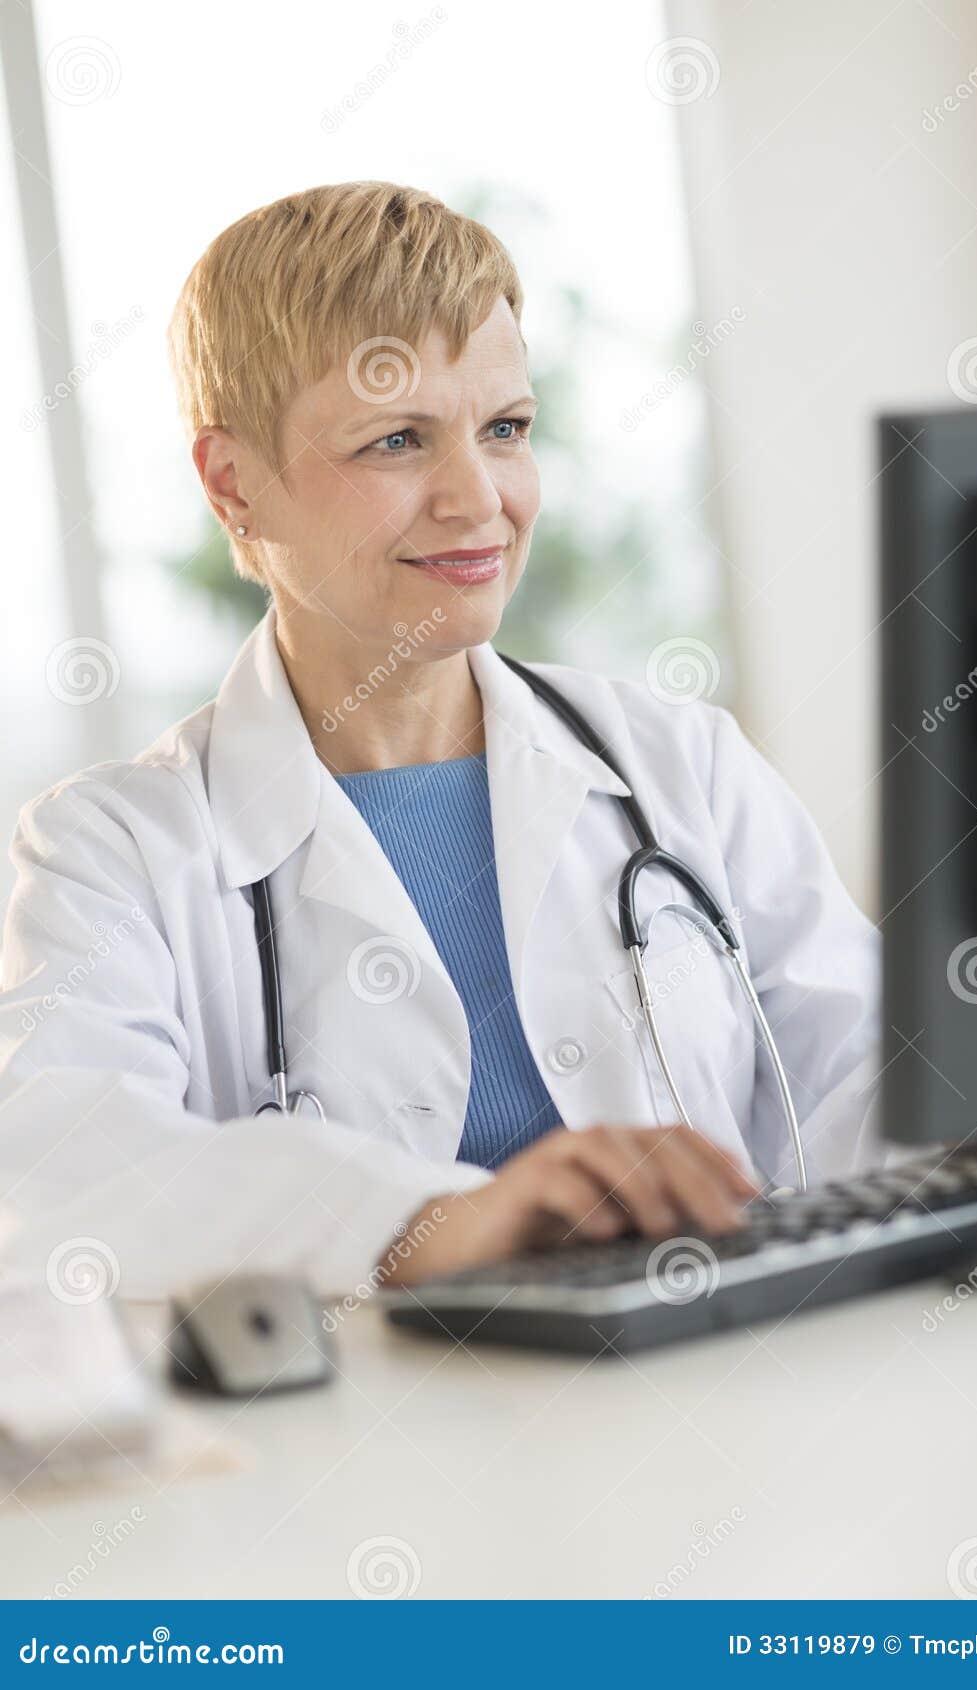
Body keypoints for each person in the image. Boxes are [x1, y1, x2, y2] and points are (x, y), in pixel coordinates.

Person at [0, 183, 881, 1301]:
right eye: (398, 440)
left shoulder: (680, 768)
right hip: (373, 1468)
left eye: (505, 429)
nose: (479, 498)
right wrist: (433, 1219)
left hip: (730, 1407)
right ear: (234, 485)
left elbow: (868, 1074)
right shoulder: (115, 848)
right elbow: (63, 1172)